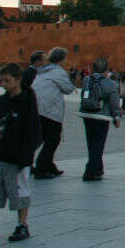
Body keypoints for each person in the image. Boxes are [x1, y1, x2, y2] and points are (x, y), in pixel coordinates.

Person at [0, 63, 42, 242]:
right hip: (0, 156)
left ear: (18, 80)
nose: (3, 84)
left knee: (19, 193)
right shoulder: (0, 102)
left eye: (7, 81)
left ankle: (22, 225)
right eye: (2, 81)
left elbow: (34, 132)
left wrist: (26, 156)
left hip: (18, 158)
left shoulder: (27, 103)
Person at [30, 47, 75, 179]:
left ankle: (45, 166)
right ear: (62, 59)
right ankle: (42, 168)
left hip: (37, 108)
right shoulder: (58, 72)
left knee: (41, 137)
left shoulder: (41, 70)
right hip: (50, 111)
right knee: (53, 139)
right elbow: (68, 89)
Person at [78, 58, 121, 181]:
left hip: (87, 115)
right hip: (101, 116)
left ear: (93, 68)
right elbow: (114, 103)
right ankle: (90, 172)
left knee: (91, 143)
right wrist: (116, 117)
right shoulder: (110, 83)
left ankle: (98, 168)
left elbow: (83, 95)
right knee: (98, 144)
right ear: (106, 70)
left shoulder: (87, 79)